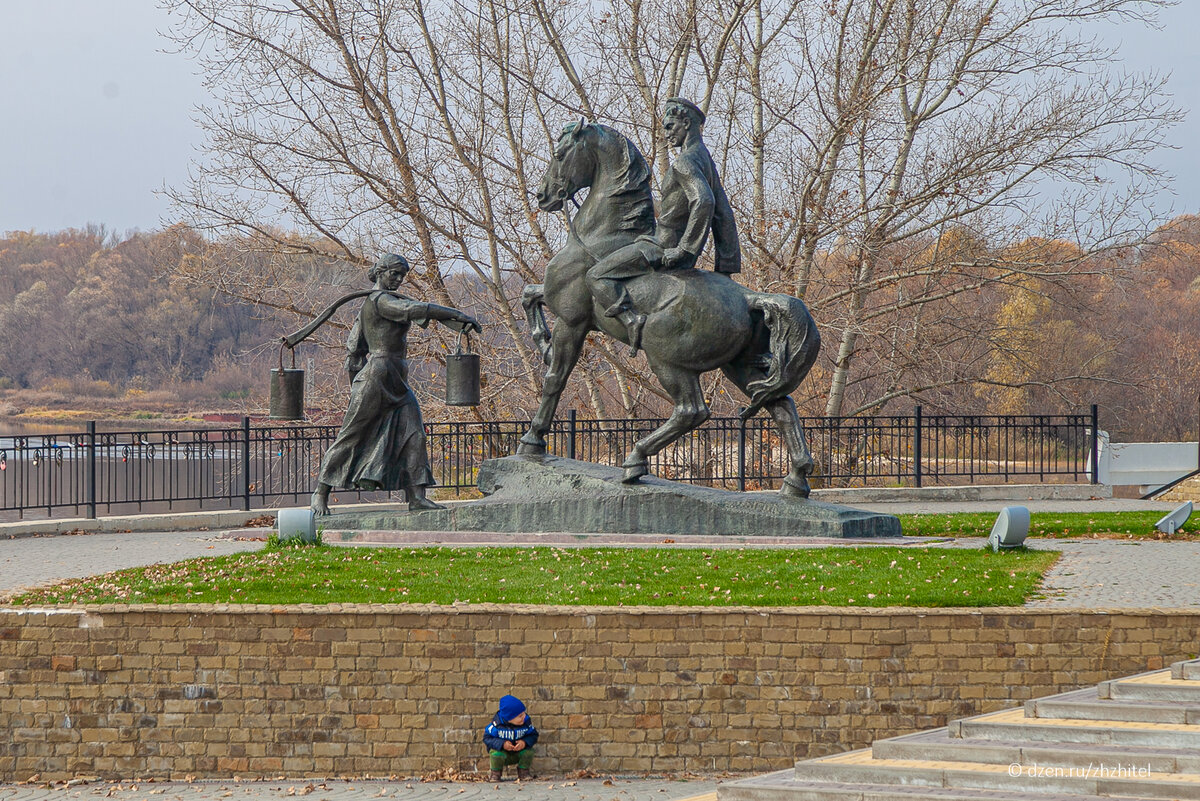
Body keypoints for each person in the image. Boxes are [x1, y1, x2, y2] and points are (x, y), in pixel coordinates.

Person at [310, 253, 481, 515]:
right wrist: (457, 313)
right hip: (377, 376)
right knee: (352, 435)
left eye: (402, 275)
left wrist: (454, 322)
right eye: (394, 274)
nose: (399, 279)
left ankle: (416, 496)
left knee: (414, 435)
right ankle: (320, 493)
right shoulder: (379, 302)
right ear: (380, 273)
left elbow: (413, 313)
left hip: (397, 380)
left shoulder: (388, 299)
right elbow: (408, 313)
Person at [586, 96, 740, 355]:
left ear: (686, 124)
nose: (666, 133)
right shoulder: (703, 157)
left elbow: (704, 202)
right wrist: (726, 267)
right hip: (670, 240)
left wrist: (684, 250)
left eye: (670, 126)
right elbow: (723, 213)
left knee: (595, 275)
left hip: (660, 246)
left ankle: (631, 321)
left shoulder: (685, 162)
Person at [482, 694, 538, 781]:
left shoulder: (526, 723)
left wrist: (524, 742)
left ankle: (524, 772)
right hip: (502, 753)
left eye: (524, 713)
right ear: (509, 718)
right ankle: (495, 774)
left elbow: (534, 735)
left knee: (529, 752)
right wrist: (502, 744)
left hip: (518, 752)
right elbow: (487, 738)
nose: (524, 717)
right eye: (520, 716)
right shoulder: (496, 726)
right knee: (495, 754)